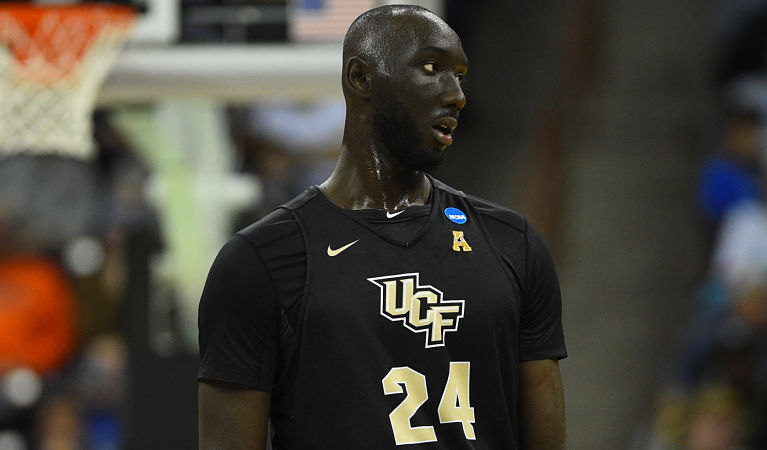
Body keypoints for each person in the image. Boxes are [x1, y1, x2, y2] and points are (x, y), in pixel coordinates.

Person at [197, 5, 567, 449]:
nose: (456, 95)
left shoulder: (513, 245)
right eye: (432, 69)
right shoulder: (259, 262)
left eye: (461, 76)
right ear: (361, 78)